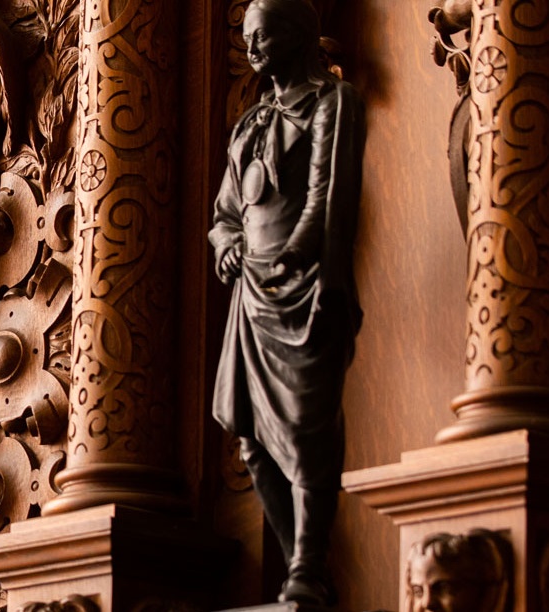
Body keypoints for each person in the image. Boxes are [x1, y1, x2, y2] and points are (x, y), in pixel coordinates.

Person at [207, 0, 363, 605]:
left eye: (263, 37)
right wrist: (227, 247)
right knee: (249, 437)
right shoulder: (247, 126)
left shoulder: (332, 103)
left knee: (304, 430)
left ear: (297, 36)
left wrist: (290, 259)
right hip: (251, 295)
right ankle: (303, 563)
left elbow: (329, 197)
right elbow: (225, 215)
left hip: (306, 287)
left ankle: (307, 566)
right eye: (246, 39)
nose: (251, 50)